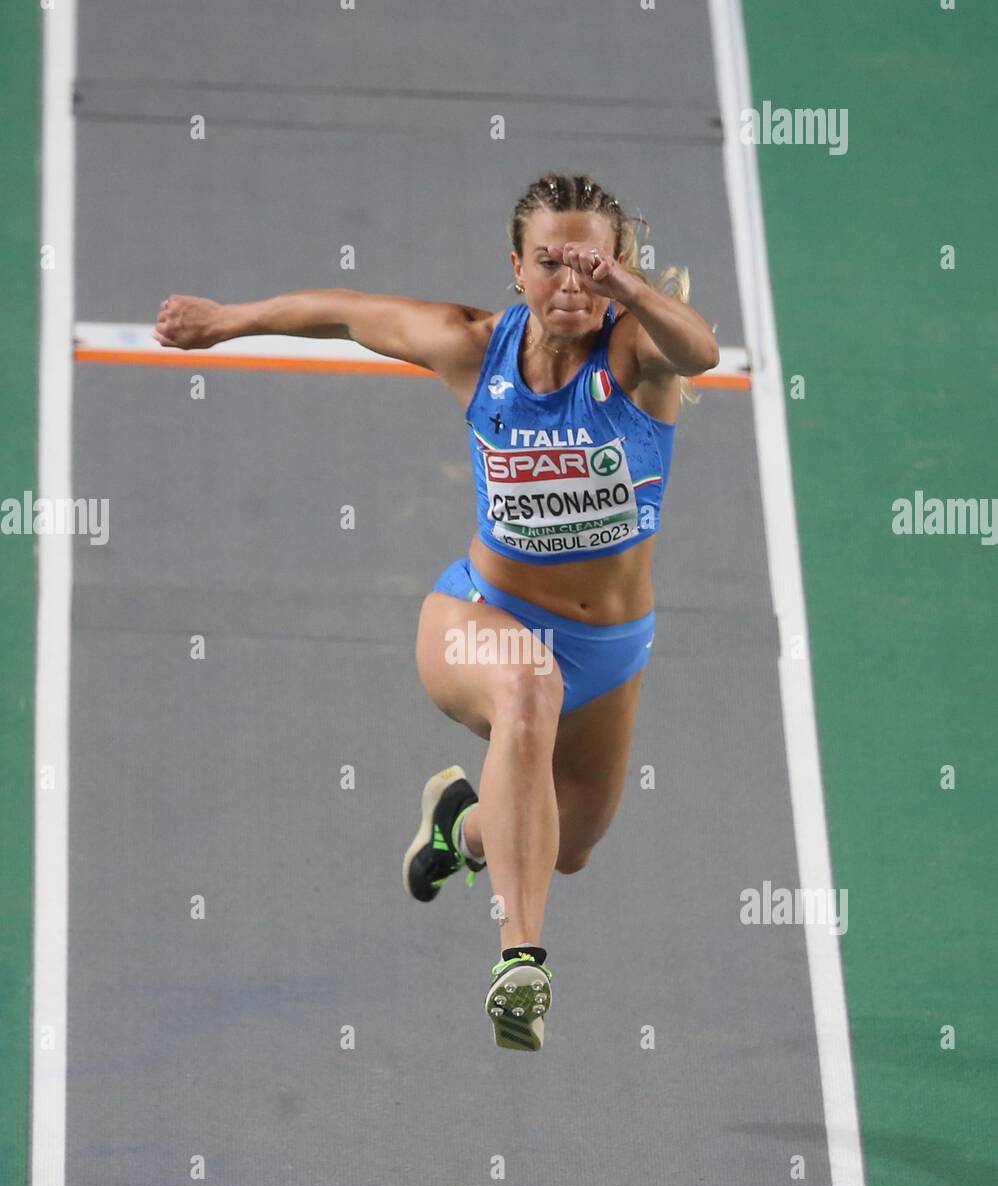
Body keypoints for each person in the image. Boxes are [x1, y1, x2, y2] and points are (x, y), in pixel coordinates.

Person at [153, 171, 719, 1052]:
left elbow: (703, 354)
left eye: (590, 266)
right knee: (528, 692)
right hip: (479, 616)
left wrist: (629, 291)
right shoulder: (473, 346)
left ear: (617, 267)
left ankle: (458, 821)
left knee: (566, 843)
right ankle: (520, 962)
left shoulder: (639, 353)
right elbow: (345, 310)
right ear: (515, 266)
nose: (571, 284)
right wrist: (227, 319)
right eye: (549, 264)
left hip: (611, 645)